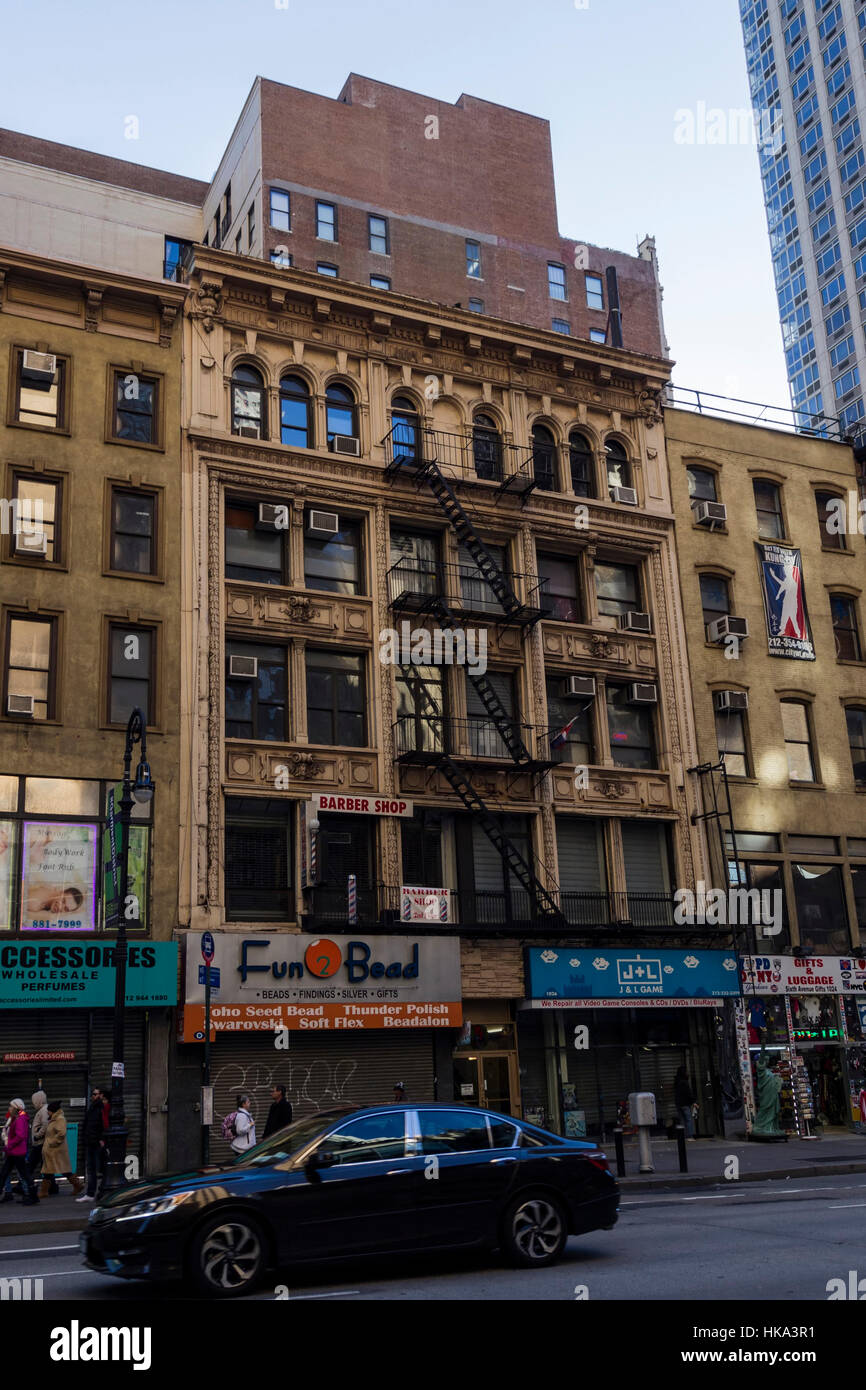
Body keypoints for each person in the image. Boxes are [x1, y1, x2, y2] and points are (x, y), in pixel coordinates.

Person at [41, 1102, 83, 1196]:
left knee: (63, 1170)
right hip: (53, 1151)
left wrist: (51, 1142)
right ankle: (44, 1191)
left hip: (56, 1150)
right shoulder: (53, 1119)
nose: (47, 1112)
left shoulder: (59, 1119)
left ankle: (78, 1185)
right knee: (49, 1170)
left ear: (52, 1111)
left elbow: (61, 1133)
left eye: (48, 1110)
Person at [0, 1100, 37, 1204]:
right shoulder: (15, 1118)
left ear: (16, 1108)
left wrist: (9, 1144)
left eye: (11, 1107)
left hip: (17, 1152)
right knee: (4, 1173)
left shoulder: (20, 1119)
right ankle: (31, 1196)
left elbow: (20, 1136)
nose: (9, 1108)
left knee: (23, 1174)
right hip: (13, 1152)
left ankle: (32, 1197)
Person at [77, 1086, 109, 1202]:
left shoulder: (101, 1108)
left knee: (99, 1169)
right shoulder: (93, 1108)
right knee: (92, 1169)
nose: (93, 1096)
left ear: (101, 1095)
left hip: (96, 1143)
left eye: (95, 1094)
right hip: (90, 1142)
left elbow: (103, 1125)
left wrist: (100, 1139)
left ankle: (98, 1192)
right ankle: (90, 1194)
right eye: (92, 1094)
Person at [28, 1090, 49, 1190]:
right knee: (46, 1167)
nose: (33, 1103)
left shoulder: (44, 1110)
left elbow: (46, 1125)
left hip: (40, 1143)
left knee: (30, 1165)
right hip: (41, 1143)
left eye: (34, 1101)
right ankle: (52, 1187)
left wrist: (38, 1136)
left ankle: (23, 1185)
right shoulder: (43, 1110)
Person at [674, 1066, 697, 1140]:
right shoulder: (684, 1082)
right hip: (685, 1104)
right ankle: (689, 1136)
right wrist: (693, 1102)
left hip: (678, 1104)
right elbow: (688, 1093)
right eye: (686, 1072)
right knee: (688, 1120)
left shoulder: (677, 1081)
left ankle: (682, 1136)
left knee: (682, 1120)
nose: (688, 1073)